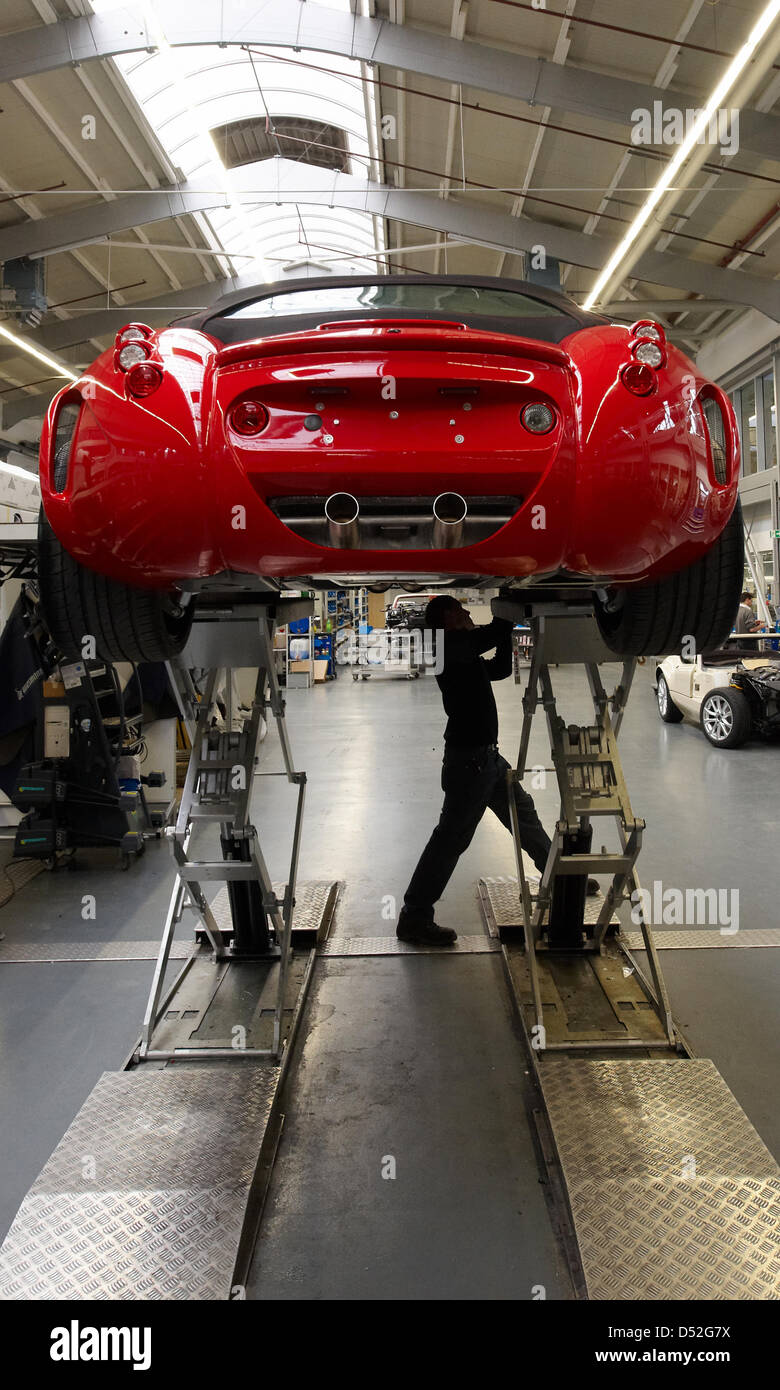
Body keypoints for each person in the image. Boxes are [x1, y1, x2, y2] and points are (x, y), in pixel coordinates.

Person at [397, 595, 596, 946]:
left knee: (524, 816)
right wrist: (507, 612)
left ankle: (559, 877)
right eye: (462, 612)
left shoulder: (461, 652)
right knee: (451, 839)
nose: (469, 614)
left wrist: (505, 626)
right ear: (447, 619)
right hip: (469, 763)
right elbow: (481, 639)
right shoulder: (445, 646)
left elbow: (500, 668)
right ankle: (414, 915)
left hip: (487, 760)